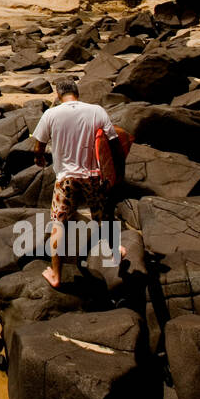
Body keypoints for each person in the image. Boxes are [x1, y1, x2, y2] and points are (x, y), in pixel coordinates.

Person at [30, 77, 122, 288]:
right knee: (103, 215)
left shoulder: (51, 113)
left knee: (58, 224)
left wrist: (39, 159)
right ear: (77, 93)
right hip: (93, 175)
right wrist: (116, 173)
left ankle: (56, 275)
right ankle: (114, 252)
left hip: (66, 179)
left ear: (58, 95)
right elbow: (114, 142)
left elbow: (39, 146)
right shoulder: (96, 111)